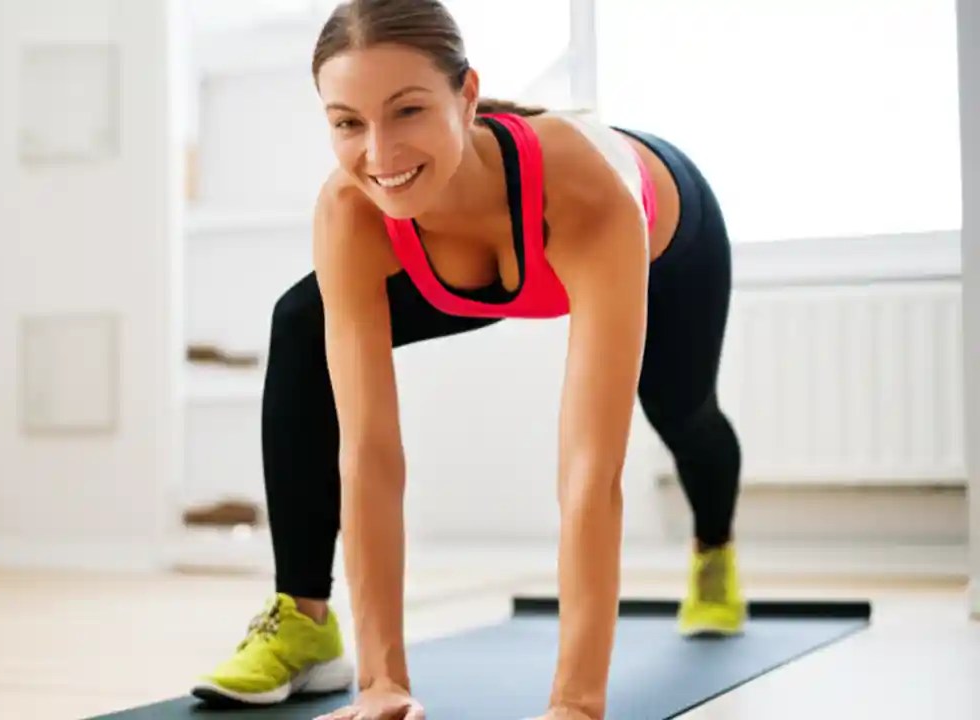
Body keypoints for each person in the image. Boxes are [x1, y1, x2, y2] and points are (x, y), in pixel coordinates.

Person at [191, 1, 746, 718]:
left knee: (682, 410)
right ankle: (305, 622)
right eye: (348, 122)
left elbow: (589, 471)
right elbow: (368, 454)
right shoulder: (351, 209)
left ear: (467, 95)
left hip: (667, 241)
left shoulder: (585, 192)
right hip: (478, 254)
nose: (380, 155)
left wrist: (575, 705)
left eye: (408, 111)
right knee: (301, 320)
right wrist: (383, 683)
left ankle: (714, 551)